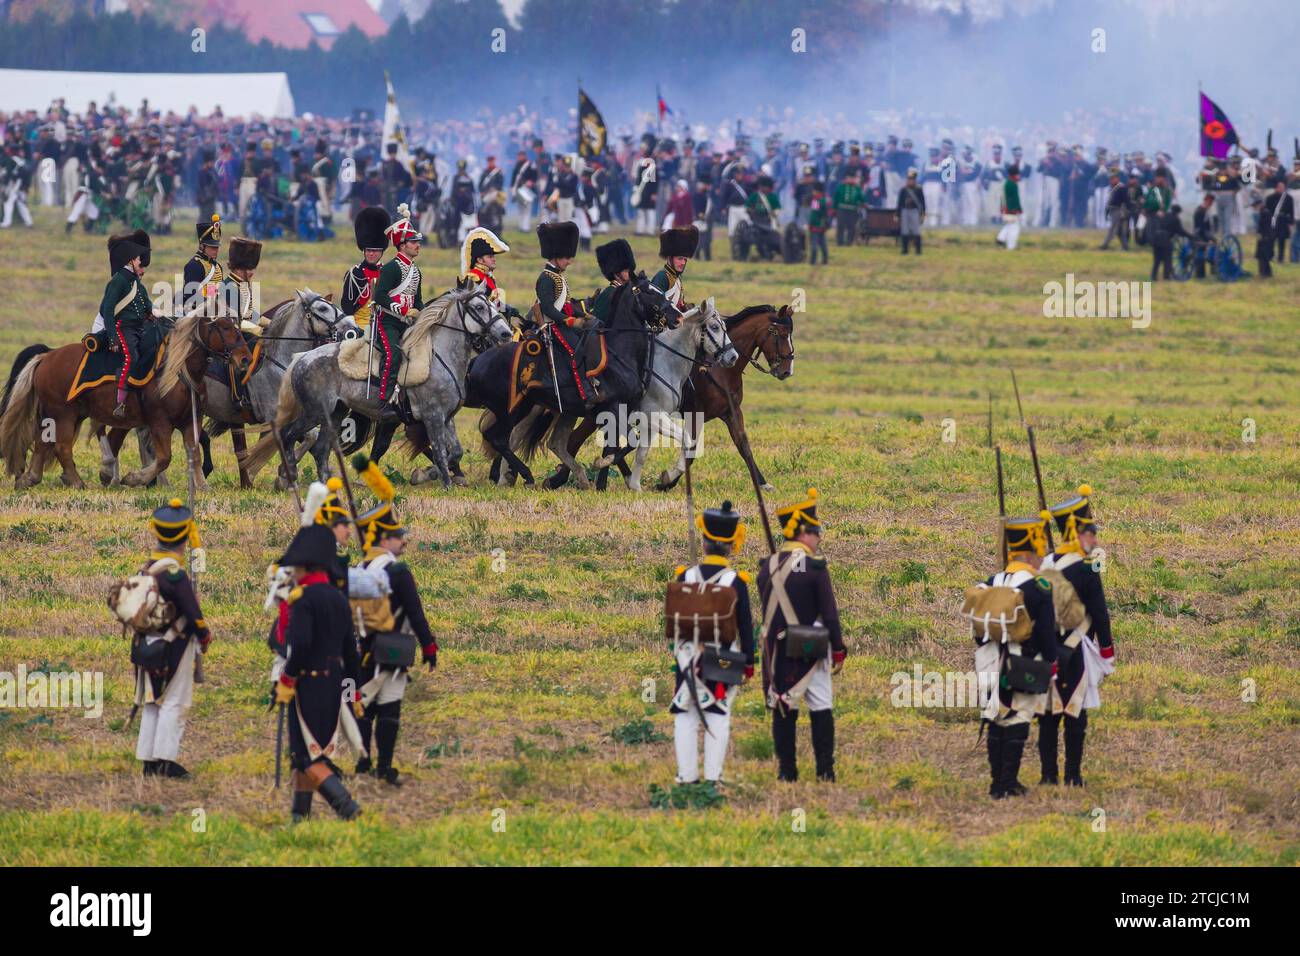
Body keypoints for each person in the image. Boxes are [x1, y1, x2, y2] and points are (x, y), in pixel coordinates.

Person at [350, 456, 438, 785]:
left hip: (360, 649)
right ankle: (383, 768)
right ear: (383, 539)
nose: (403, 539)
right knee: (388, 709)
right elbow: (415, 613)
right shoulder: (397, 572)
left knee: (365, 707)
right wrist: (429, 646)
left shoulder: (357, 571)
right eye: (397, 535)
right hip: (391, 649)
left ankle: (363, 761)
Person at [274, 523, 364, 823]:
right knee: (304, 758)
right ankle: (300, 818)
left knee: (308, 758)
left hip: (308, 683)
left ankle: (348, 810)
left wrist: (287, 678)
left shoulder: (303, 599)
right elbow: (351, 653)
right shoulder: (338, 598)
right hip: (333, 684)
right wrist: (354, 692)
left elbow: (300, 644)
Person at [760, 489, 846, 782]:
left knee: (784, 704)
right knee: (821, 705)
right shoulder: (815, 567)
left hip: (776, 650)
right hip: (811, 647)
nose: (819, 537)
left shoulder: (766, 567)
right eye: (816, 531)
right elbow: (830, 613)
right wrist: (838, 649)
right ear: (803, 533)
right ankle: (825, 770)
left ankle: (787, 771)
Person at [971, 515, 1057, 798]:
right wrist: (1051, 664)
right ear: (1031, 551)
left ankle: (997, 782)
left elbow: (979, 627)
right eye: (1040, 546)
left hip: (989, 659)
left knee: (995, 717)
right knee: (1018, 718)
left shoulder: (992, 581)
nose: (1044, 552)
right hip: (1022, 660)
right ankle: (1007, 783)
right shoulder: (1039, 587)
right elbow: (1046, 632)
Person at [669, 501, 755, 785]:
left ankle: (686, 777)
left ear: (704, 543)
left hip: (687, 657)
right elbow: (745, 626)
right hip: (724, 658)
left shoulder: (685, 575)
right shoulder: (736, 581)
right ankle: (713, 779)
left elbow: (674, 619)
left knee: (685, 716)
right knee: (718, 715)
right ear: (731, 546)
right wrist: (750, 662)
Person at [1039, 486, 1114, 787]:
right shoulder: (1086, 569)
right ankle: (1073, 775)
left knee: (1047, 714)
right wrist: (1106, 651)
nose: (1094, 540)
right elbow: (1100, 613)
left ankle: (1048, 776)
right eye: (1089, 533)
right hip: (1076, 650)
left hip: (1046, 649)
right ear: (1074, 533)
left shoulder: (1044, 564)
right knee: (1075, 714)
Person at [132, 498, 211, 779]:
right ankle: (165, 759)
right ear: (183, 537)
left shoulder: (146, 568)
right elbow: (193, 613)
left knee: (153, 700)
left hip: (145, 646)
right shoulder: (175, 575)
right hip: (173, 646)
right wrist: (204, 635)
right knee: (175, 701)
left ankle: (148, 759)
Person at [531, 221, 596, 403]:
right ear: (556, 256)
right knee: (577, 350)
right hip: (553, 326)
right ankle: (584, 391)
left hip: (563, 323)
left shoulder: (558, 276)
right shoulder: (545, 278)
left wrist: (583, 315)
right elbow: (548, 308)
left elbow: (567, 304)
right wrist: (567, 320)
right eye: (566, 257)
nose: (569, 261)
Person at [372, 204, 425, 404]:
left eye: (417, 242)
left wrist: (423, 313)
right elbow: (380, 296)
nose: (418, 245)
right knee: (393, 354)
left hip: (408, 323)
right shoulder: (391, 268)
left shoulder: (416, 271)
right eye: (413, 242)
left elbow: (417, 300)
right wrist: (403, 310)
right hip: (388, 323)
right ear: (402, 246)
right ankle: (383, 399)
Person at [101, 229, 155, 418]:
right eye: (139, 259)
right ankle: (121, 401)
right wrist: (112, 338)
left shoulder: (135, 282)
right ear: (131, 260)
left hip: (139, 328)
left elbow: (147, 304)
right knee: (131, 357)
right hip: (123, 328)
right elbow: (107, 311)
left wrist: (154, 314)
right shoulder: (118, 282)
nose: (141, 262)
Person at [341, 206, 390, 333]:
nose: (371, 254)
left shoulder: (387, 272)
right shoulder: (354, 273)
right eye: (368, 250)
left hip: (383, 327)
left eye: (375, 251)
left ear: (382, 251)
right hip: (359, 327)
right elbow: (347, 305)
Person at [180, 214, 223, 315]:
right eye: (212, 247)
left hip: (213, 312)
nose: (216, 251)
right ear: (201, 246)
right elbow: (190, 296)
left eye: (217, 247)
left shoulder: (217, 266)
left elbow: (214, 292)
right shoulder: (194, 265)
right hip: (195, 314)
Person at [650, 225, 698, 310]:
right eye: (680, 259)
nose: (683, 263)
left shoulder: (677, 278)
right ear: (669, 258)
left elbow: (678, 306)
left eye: (685, 259)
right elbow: (654, 307)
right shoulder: (662, 277)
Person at [1150, 204, 1191, 281]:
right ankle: (1166, 276)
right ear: (1178, 212)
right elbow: (1180, 231)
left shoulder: (1165, 215)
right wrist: (1191, 236)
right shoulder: (1175, 219)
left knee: (1157, 260)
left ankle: (1153, 276)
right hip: (1166, 240)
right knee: (1167, 259)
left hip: (1157, 238)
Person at [1261, 178, 1295, 267]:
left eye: (1282, 187)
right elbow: (1267, 210)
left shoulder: (1288, 198)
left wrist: (1291, 223)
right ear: (1276, 188)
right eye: (1279, 187)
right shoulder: (1270, 198)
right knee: (1271, 240)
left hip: (1283, 221)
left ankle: (1281, 258)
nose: (1281, 188)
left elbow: (1291, 211)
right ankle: (1270, 256)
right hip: (1273, 220)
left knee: (1282, 240)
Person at [1099, 170, 1129, 251]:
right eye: (1110, 179)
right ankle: (1125, 246)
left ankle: (1105, 244)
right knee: (1120, 231)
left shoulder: (1121, 188)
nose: (1111, 180)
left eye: (1113, 178)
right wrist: (1106, 212)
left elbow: (1126, 201)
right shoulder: (1112, 188)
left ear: (1117, 178)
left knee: (1112, 229)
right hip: (1112, 210)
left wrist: (1124, 212)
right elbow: (1109, 202)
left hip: (1118, 210)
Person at [898, 169, 925, 254]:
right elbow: (900, 202)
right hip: (905, 211)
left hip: (914, 211)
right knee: (904, 230)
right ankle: (905, 250)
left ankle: (918, 250)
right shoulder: (903, 190)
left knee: (916, 231)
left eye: (912, 179)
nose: (910, 181)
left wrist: (923, 213)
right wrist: (898, 213)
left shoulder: (918, 189)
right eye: (909, 179)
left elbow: (922, 202)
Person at [807, 180, 830, 264]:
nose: (813, 192)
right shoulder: (823, 200)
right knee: (823, 245)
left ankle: (812, 261)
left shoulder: (817, 201)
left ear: (817, 191)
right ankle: (825, 260)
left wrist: (810, 224)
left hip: (816, 226)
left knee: (814, 246)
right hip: (821, 226)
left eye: (814, 191)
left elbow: (814, 214)